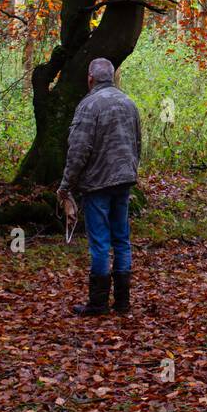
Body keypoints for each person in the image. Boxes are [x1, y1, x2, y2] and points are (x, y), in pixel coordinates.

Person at [57, 57, 141, 316]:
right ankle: (123, 303)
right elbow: (137, 143)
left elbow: (78, 151)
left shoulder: (89, 105)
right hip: (125, 180)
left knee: (101, 243)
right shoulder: (129, 103)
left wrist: (65, 186)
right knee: (122, 240)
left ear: (90, 78)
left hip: (97, 184)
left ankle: (98, 303)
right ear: (113, 77)